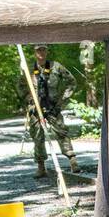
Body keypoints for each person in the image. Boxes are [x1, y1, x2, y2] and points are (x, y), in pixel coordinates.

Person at [22, 44, 79, 177]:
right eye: (38, 50)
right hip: (36, 108)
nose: (41, 52)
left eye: (43, 49)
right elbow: (21, 86)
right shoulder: (29, 68)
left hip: (53, 106)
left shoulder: (56, 66)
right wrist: (29, 99)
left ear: (47, 51)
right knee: (37, 135)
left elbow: (72, 82)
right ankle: (41, 167)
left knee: (61, 131)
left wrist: (63, 100)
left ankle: (73, 161)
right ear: (34, 52)